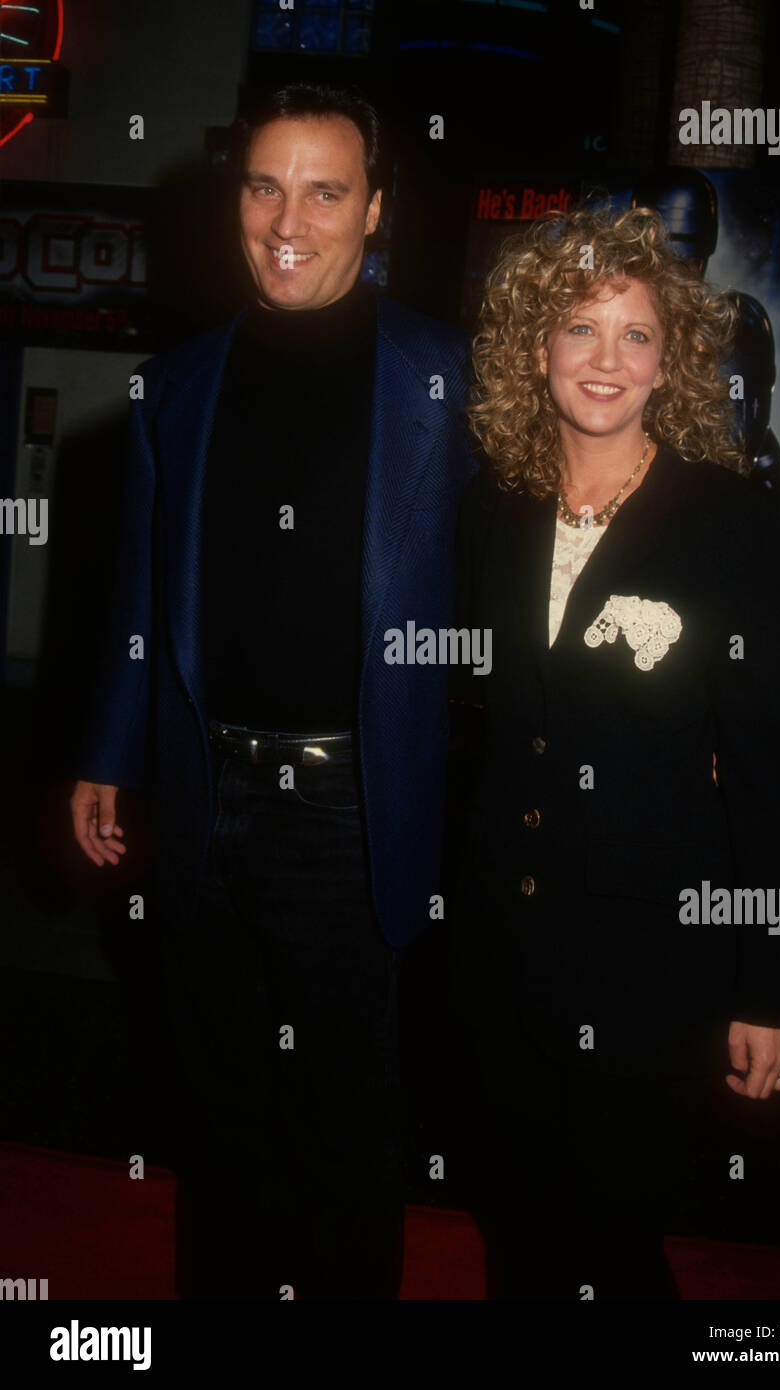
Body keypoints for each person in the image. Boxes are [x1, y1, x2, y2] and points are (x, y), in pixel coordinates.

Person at [69, 82, 475, 1300]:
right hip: (205, 790)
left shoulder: (447, 380)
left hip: (352, 806)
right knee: (226, 1115)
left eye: (324, 189)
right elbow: (140, 593)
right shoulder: (176, 386)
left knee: (344, 1128)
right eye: (263, 184)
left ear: (376, 211)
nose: (287, 218)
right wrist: (108, 746)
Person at [449, 204, 780, 1300]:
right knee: (513, 1218)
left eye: (634, 334)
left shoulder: (727, 519)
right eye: (578, 329)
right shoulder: (491, 506)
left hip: (652, 955)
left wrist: (768, 985)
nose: (604, 360)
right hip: (503, 948)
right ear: (533, 349)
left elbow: (764, 763)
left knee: (610, 1238)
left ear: (668, 364)